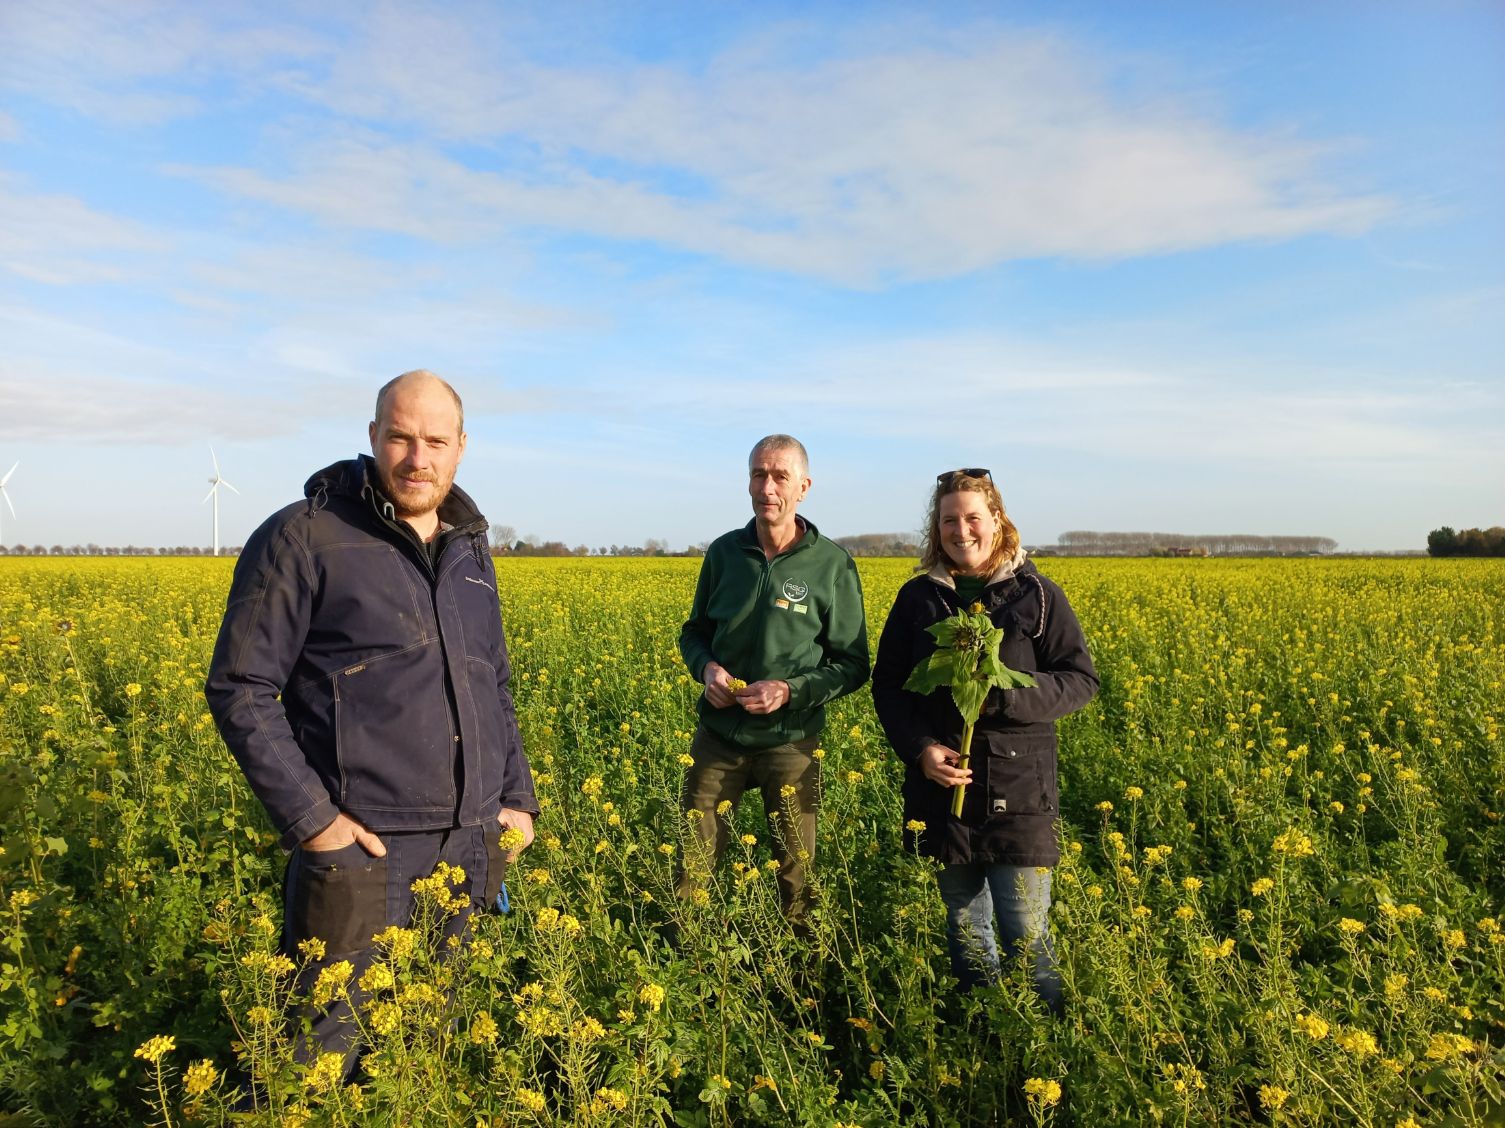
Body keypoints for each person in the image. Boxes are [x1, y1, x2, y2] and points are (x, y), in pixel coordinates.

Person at [204, 369, 537, 1077]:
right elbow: (241, 685)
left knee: (423, 1045)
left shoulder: (470, 549)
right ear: (372, 439)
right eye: (400, 438)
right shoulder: (304, 536)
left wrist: (515, 799)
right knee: (321, 1055)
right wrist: (315, 823)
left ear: (461, 448)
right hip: (365, 851)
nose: (418, 459)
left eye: (435, 441)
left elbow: (493, 683)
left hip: (471, 843)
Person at [871, 470, 1096, 1013]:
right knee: (966, 929)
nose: (961, 530)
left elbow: (1080, 680)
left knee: (1025, 932)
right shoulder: (918, 598)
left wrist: (1005, 696)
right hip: (943, 793)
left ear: (997, 521)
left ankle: (1047, 1042)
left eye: (974, 517)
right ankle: (984, 1038)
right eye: (950, 519)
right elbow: (889, 685)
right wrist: (920, 748)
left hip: (1019, 790)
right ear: (937, 528)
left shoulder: (1038, 595)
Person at [677, 434, 870, 926]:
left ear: (803, 487)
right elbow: (695, 632)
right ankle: (689, 963)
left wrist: (789, 691)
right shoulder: (724, 553)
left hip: (791, 743)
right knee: (692, 867)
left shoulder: (831, 564)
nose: (768, 487)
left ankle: (802, 978)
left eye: (780, 476)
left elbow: (852, 664)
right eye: (759, 475)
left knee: (796, 872)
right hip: (718, 736)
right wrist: (707, 669)